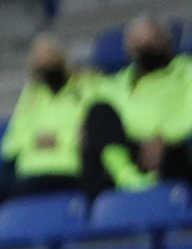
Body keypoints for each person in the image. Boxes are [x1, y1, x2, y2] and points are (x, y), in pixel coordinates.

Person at [0, 34, 95, 209]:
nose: (44, 64)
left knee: (24, 196)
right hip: (30, 172)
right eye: (38, 59)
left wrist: (60, 139)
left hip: (70, 170)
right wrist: (37, 140)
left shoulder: (87, 89)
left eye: (49, 57)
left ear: (63, 58)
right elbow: (12, 142)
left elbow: (89, 133)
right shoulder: (30, 95)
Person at [82, 15, 192, 195]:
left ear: (168, 43)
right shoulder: (115, 83)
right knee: (97, 113)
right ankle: (129, 181)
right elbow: (93, 112)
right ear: (129, 49)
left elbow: (189, 115)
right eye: (139, 43)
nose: (147, 46)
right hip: (126, 150)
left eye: (154, 39)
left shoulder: (186, 71)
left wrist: (164, 138)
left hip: (172, 148)